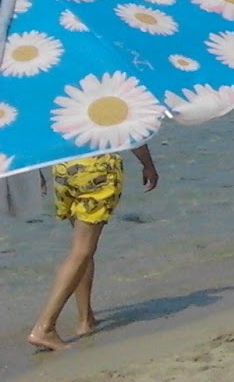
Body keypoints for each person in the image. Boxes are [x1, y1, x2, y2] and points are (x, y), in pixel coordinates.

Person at [29, 146, 159, 351]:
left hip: (64, 168)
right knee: (81, 251)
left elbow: (38, 133)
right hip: (97, 169)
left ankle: (85, 319)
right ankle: (45, 327)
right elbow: (127, 131)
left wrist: (36, 171)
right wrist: (148, 164)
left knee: (82, 248)